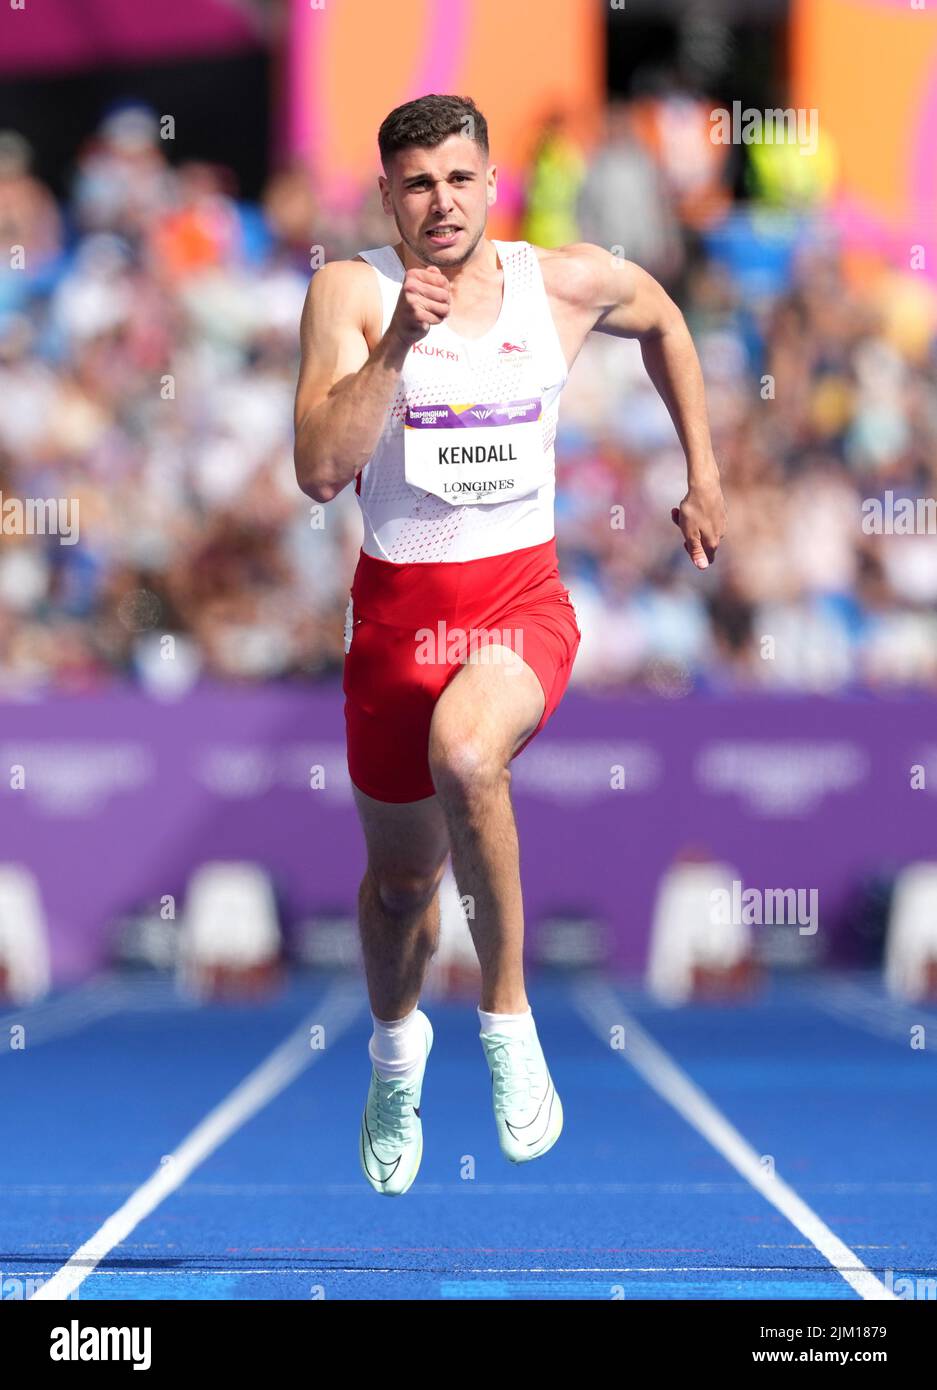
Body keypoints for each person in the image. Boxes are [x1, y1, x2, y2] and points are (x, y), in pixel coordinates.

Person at [293, 94, 727, 1195]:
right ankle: (397, 1058)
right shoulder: (351, 291)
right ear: (388, 193)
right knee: (397, 892)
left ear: (492, 182)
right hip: (395, 623)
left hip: (517, 602)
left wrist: (703, 475)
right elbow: (316, 467)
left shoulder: (563, 283)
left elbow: (668, 319)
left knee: (469, 753)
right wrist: (398, 341)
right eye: (417, 183)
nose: (441, 201)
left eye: (459, 178)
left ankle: (507, 1013)